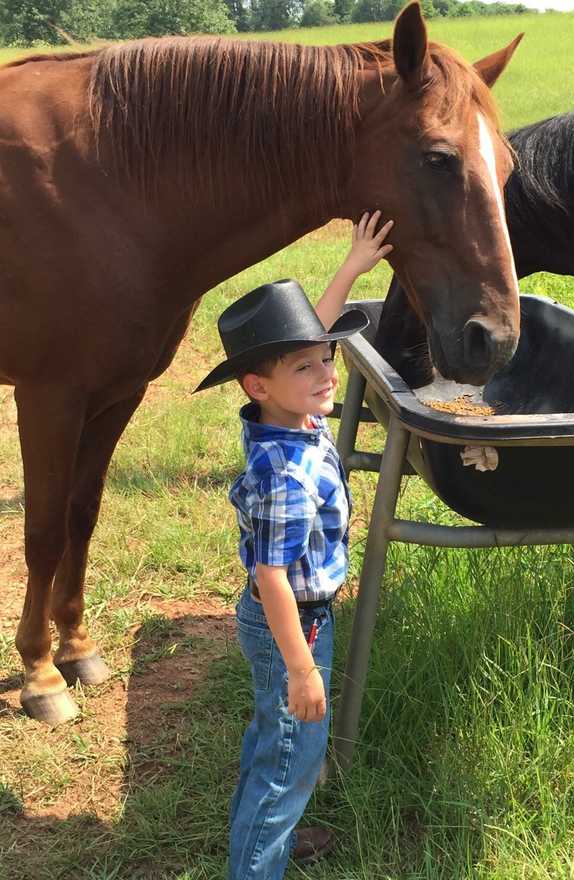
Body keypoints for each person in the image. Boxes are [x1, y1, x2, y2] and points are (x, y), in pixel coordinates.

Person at [194, 211, 394, 879]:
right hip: (294, 626)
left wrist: (351, 267)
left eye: (327, 358)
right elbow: (272, 576)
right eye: (306, 366)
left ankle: (265, 839)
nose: (327, 374)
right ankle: (258, 859)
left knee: (274, 740)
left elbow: (313, 337)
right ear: (259, 386)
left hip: (288, 622)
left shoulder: (288, 412)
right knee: (292, 759)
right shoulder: (285, 472)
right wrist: (303, 669)